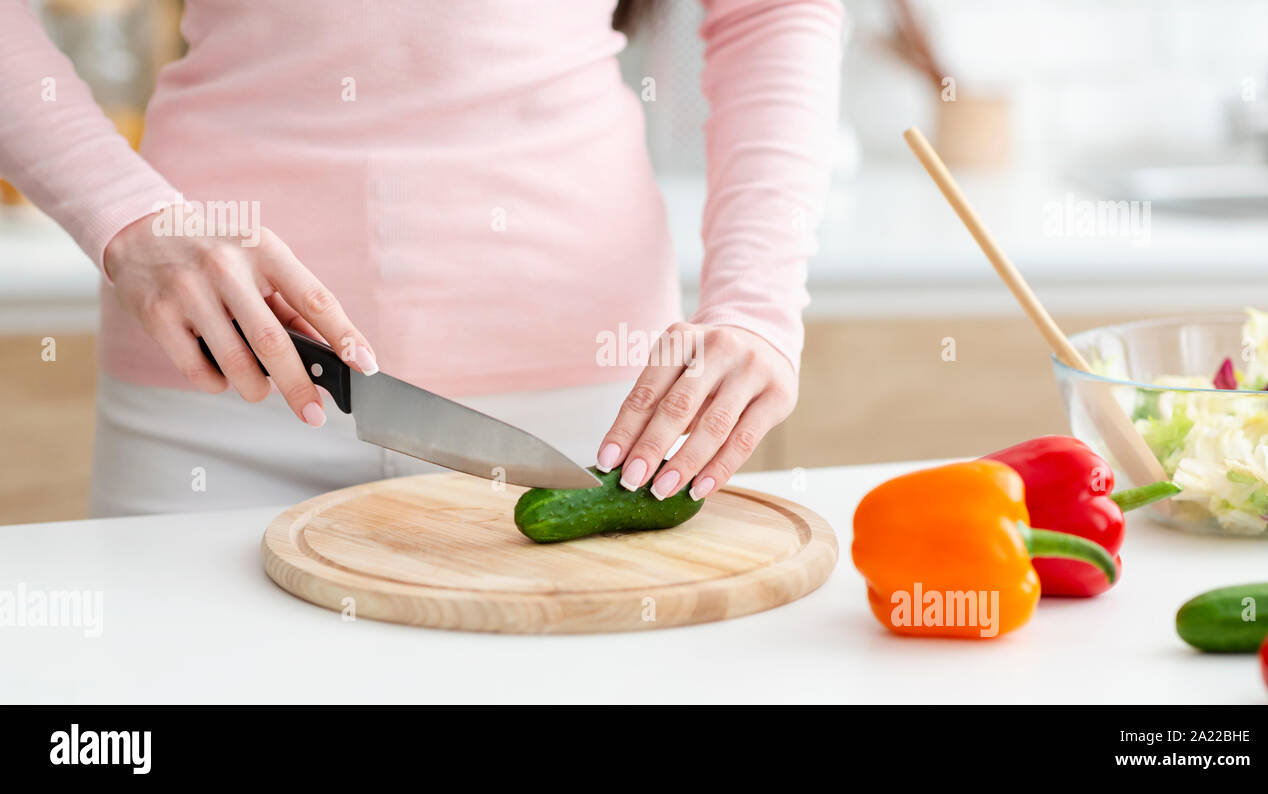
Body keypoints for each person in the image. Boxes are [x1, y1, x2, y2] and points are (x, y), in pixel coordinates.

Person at [0, 0, 842, 516]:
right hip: (217, 373)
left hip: (588, 409)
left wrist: (756, 301)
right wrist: (125, 212)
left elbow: (771, 9)